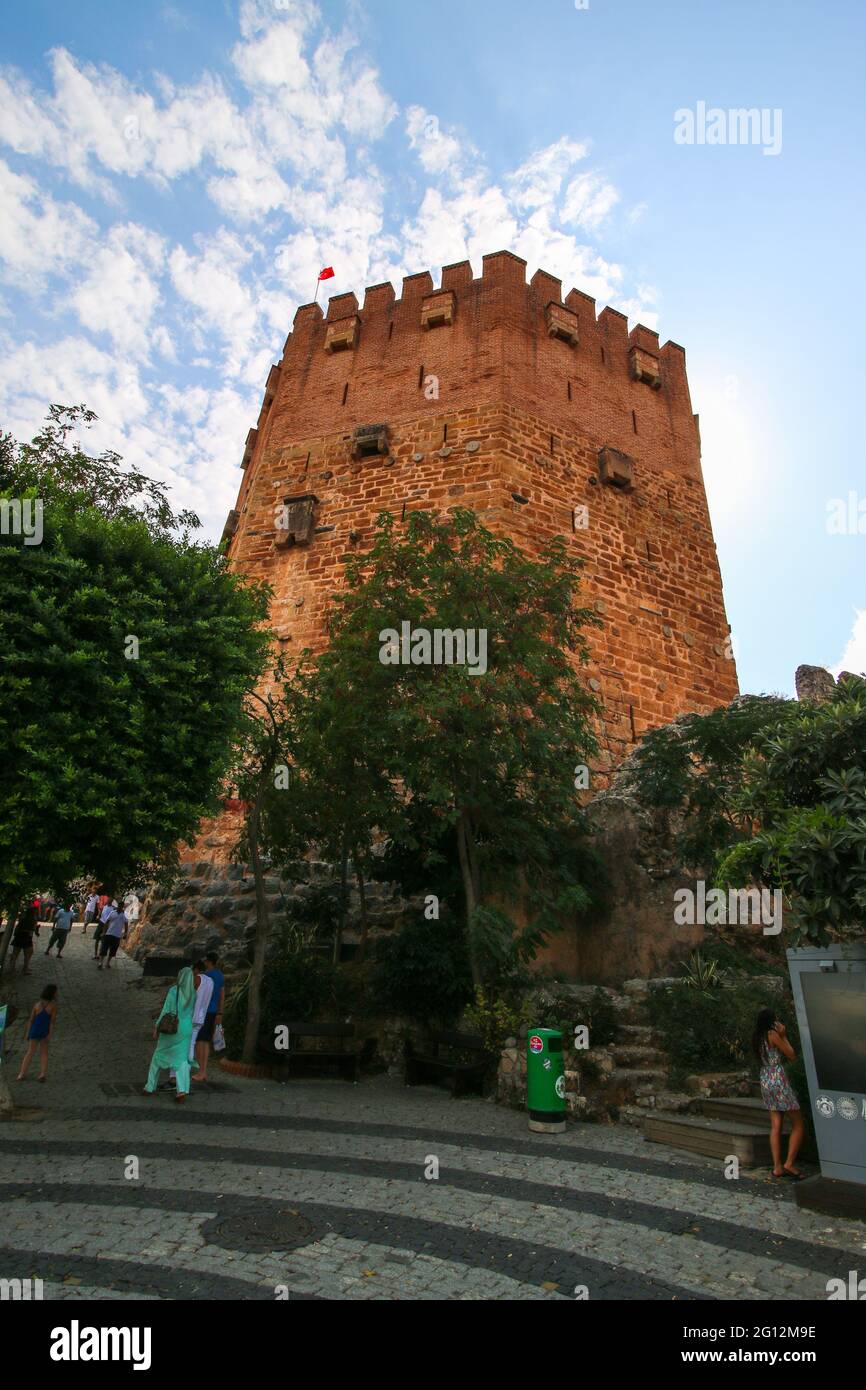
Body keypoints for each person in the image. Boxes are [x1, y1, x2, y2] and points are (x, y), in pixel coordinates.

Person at [753, 1007, 805, 1180]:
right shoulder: (772, 1035)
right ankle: (789, 1163)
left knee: (776, 1125)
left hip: (765, 1078)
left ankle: (777, 1167)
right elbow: (791, 1055)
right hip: (778, 1078)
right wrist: (783, 1035)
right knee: (798, 1124)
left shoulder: (757, 1037)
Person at [143, 967, 197, 1102]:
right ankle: (182, 1090)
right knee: (182, 1060)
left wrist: (157, 1027)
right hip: (186, 1027)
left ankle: (149, 1086)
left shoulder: (174, 990)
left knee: (158, 1056)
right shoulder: (193, 993)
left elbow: (166, 1010)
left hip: (172, 1027)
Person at [17, 984, 58, 1082]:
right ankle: (42, 1074)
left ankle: (22, 1074)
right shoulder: (53, 1006)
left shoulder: (37, 1005)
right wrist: (50, 1034)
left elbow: (31, 1020)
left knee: (30, 1052)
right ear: (52, 993)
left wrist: (28, 1033)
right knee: (44, 1053)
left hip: (34, 1030)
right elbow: (52, 1022)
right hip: (44, 1031)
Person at [194, 951, 225, 1082]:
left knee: (200, 1041)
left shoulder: (205, 976)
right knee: (205, 1041)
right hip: (213, 1011)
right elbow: (222, 995)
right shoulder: (220, 975)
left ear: (208, 962)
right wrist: (220, 1012)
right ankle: (203, 1070)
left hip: (203, 1011)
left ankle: (201, 1071)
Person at [9, 901, 40, 975]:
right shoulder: (33, 920)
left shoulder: (23, 919)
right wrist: (37, 929)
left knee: (15, 954)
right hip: (26, 937)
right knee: (28, 954)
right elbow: (33, 930)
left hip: (19, 936)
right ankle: (25, 969)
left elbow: (17, 928)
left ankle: (12, 969)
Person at [97, 902, 128, 970]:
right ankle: (100, 962)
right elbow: (106, 922)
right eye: (119, 906)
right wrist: (104, 932)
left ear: (122, 907)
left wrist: (125, 933)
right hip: (109, 933)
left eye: (121, 906)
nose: (120, 907)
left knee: (113, 950)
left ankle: (108, 963)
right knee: (104, 948)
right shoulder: (112, 913)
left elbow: (126, 923)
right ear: (118, 906)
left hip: (117, 935)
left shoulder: (123, 916)